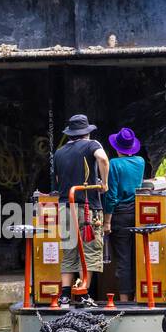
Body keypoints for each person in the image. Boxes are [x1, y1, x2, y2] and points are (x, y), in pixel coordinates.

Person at [53, 113, 109, 308]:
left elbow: (59, 181)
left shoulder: (58, 153)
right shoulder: (92, 145)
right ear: (87, 133)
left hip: (65, 208)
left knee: (69, 250)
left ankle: (65, 296)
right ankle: (84, 293)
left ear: (70, 134)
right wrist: (104, 183)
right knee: (90, 250)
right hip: (87, 208)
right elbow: (102, 159)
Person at [103, 127, 146, 303]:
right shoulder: (141, 162)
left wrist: (107, 221)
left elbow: (111, 195)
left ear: (117, 147)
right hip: (137, 213)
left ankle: (124, 300)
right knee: (137, 257)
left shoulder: (114, 164)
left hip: (119, 215)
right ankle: (139, 295)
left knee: (123, 259)